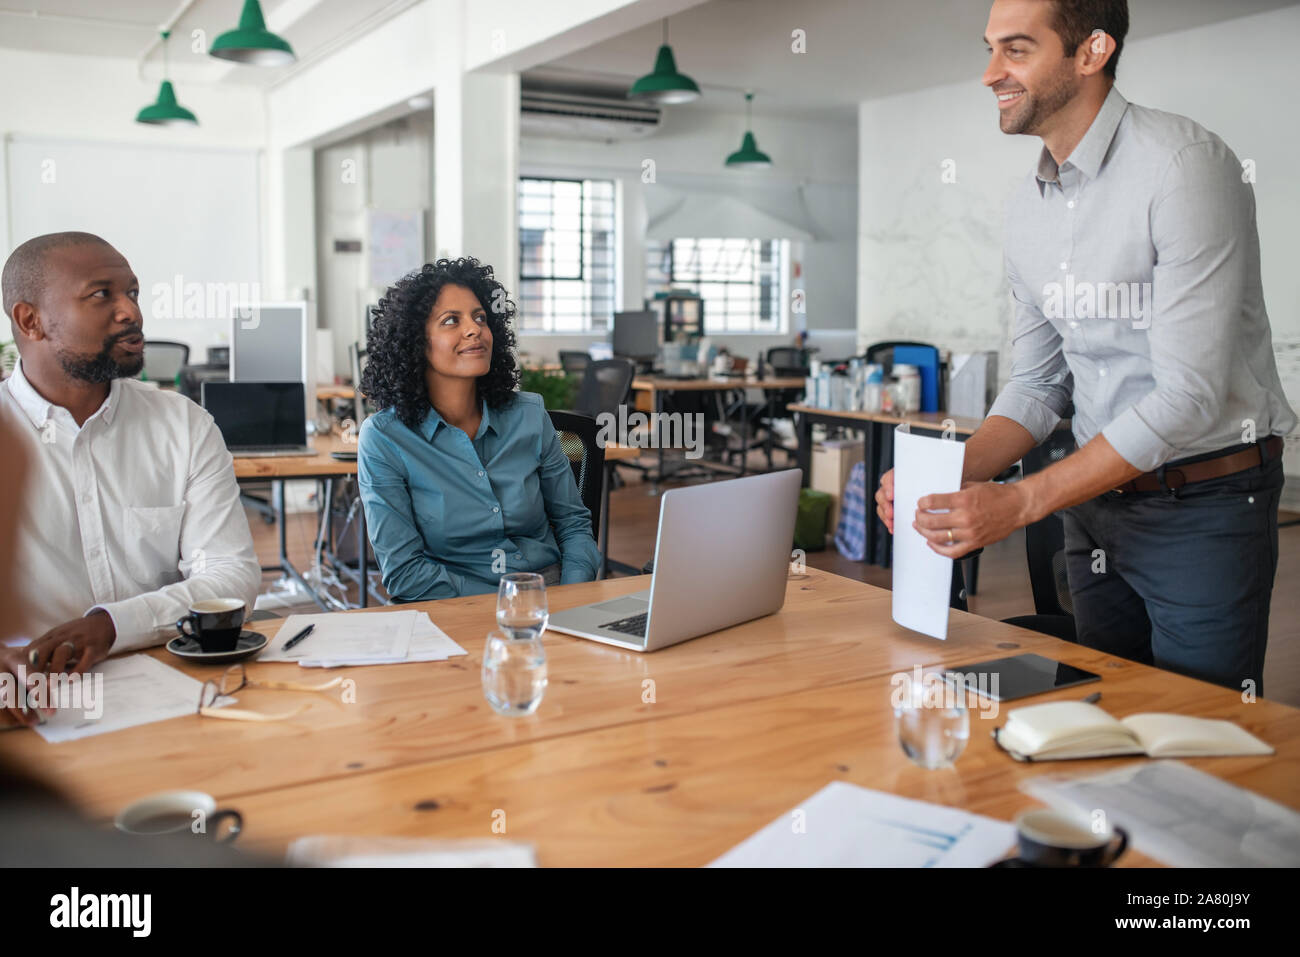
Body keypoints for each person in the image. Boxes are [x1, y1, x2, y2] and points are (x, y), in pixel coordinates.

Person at [876, 0, 1295, 694]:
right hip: (1095, 510)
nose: (989, 73)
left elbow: (1188, 399)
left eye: (1015, 49)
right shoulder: (1026, 210)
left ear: (1092, 51)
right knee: (1104, 714)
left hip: (1206, 503)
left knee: (1200, 736)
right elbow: (1039, 388)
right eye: (989, 49)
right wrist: (951, 471)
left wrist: (1020, 502)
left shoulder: (1185, 168)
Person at [0, 232, 260, 725]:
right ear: (30, 321)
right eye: (102, 295)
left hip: (176, 690)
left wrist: (110, 627)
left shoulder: (182, 424)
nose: (131, 313)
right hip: (28, 707)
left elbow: (233, 578)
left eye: (133, 293)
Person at [357, 257, 602, 600]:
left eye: (480, 317)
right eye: (450, 321)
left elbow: (574, 525)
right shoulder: (384, 437)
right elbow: (405, 573)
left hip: (552, 594)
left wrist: (573, 599)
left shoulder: (529, 415)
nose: (474, 329)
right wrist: (512, 603)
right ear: (416, 342)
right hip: (454, 606)